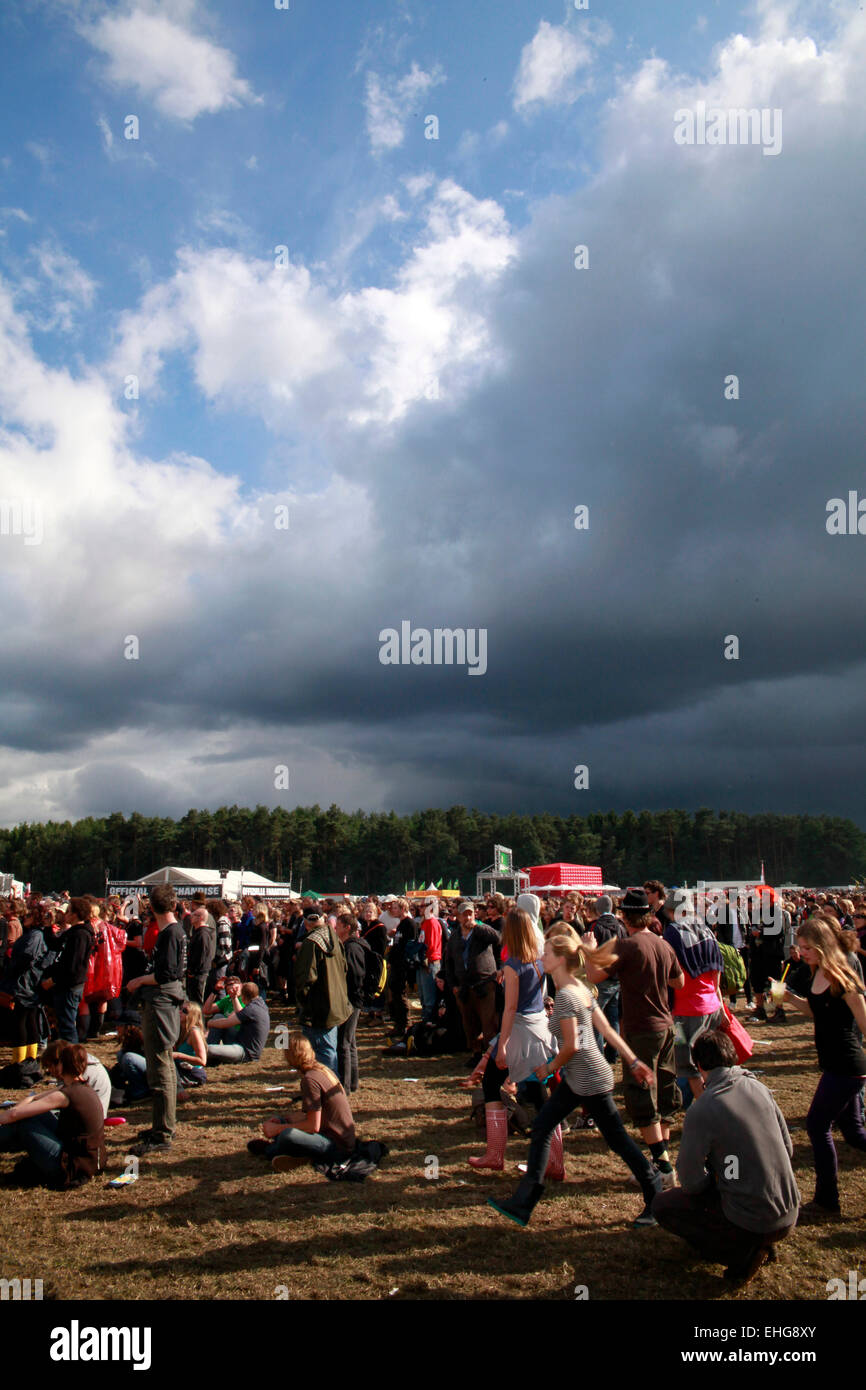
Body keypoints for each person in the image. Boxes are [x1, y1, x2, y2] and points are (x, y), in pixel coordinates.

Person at [487, 934, 662, 1229]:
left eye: (546, 953)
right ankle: (523, 1201)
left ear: (560, 960)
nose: (541, 957)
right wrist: (632, 1060)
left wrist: (548, 1068)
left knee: (615, 1139)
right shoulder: (578, 988)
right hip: (583, 1076)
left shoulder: (569, 995)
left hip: (588, 1077)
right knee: (545, 1126)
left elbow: (573, 1046)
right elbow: (605, 1029)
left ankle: (655, 1193)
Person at [652, 1030, 800, 1285]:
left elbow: (690, 1179)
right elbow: (788, 1149)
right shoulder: (759, 1087)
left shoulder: (704, 1107)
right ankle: (760, 1241)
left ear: (699, 1066)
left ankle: (743, 1253)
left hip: (751, 1217)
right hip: (788, 1212)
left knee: (664, 1205)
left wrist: (716, 1182)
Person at [584, 887, 684, 1184]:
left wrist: (589, 950)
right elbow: (677, 981)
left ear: (624, 916)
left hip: (642, 1028)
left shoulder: (628, 946)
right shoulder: (663, 943)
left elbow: (593, 976)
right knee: (665, 1092)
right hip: (667, 1026)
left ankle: (663, 1168)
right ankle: (662, 1160)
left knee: (642, 1096)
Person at [781, 918, 866, 1215]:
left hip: (846, 1065)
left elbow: (863, 1021)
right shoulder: (817, 972)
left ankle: (827, 1200)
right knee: (854, 1133)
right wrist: (789, 998)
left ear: (821, 945)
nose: (801, 953)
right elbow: (818, 1013)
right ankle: (827, 1199)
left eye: (806, 948)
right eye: (801, 947)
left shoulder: (843, 976)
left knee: (817, 1125)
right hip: (833, 1063)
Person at [467, 908, 558, 1174]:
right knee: (541, 1092)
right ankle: (555, 1160)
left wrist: (501, 1045)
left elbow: (509, 1009)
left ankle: (495, 1154)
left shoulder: (513, 965)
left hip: (520, 1028)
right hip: (539, 1026)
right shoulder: (540, 961)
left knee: (492, 1084)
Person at [247, 1031, 387, 1179]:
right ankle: (290, 1152)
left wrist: (278, 1129)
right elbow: (313, 1114)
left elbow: (312, 1125)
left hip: (335, 1145)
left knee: (286, 1136)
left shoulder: (309, 1080)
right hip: (340, 1137)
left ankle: (273, 1151)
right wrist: (284, 1120)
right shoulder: (322, 1070)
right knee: (282, 1124)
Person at [125, 885, 188, 1157]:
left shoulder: (171, 933)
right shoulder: (172, 931)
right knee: (162, 1064)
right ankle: (163, 1126)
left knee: (160, 1065)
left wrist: (139, 980)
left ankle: (163, 1132)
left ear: (152, 907)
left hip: (162, 1001)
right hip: (162, 999)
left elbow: (166, 974)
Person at [0, 1042, 106, 1189]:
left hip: (72, 1167)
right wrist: (22, 1106)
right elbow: (33, 1099)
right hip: (91, 1160)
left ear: (63, 1065)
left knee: (24, 1124)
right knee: (35, 1115)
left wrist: (7, 1117)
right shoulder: (81, 1088)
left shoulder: (65, 1095)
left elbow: (15, 1115)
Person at [661, 889, 724, 1101]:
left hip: (685, 1011)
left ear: (670, 910)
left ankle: (708, 1110)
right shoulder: (706, 930)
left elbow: (670, 971)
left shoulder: (672, 932)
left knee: (688, 1063)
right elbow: (717, 971)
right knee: (709, 1060)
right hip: (710, 1004)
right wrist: (719, 1000)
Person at [294, 910, 352, 1070]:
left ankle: (325, 1089)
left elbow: (305, 978)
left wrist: (302, 1002)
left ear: (306, 924)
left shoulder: (311, 942)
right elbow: (344, 968)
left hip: (319, 1006)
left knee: (321, 1051)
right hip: (336, 1003)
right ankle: (328, 1087)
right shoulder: (334, 937)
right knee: (329, 1049)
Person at [444, 900, 501, 1061]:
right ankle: (476, 1053)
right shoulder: (454, 936)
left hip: (484, 984)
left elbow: (497, 938)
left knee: (489, 1022)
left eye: (470, 913)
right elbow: (448, 962)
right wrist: (453, 985)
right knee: (470, 1024)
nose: (468, 917)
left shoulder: (482, 930)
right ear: (459, 916)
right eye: (465, 914)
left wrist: (477, 926)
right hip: (464, 986)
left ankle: (491, 1057)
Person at [0, 909, 47, 1087]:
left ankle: (21, 1063)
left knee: (22, 1022)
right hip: (28, 984)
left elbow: (27, 957)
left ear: (34, 918)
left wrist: (12, 969)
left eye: (27, 916)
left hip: (25, 985)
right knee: (28, 1022)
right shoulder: (35, 934)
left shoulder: (35, 935)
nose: (23, 918)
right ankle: (27, 1062)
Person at [42, 898, 95, 1043]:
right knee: (64, 1023)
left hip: (70, 986)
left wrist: (53, 980)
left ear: (75, 914)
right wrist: (48, 926)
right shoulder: (73, 932)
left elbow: (73, 966)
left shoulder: (81, 935)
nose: (65, 914)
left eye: (68, 911)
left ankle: (72, 1058)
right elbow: (55, 944)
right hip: (65, 984)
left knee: (67, 1026)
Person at [335, 913, 366, 1093]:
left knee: (344, 1043)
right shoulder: (353, 945)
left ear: (347, 927)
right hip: (353, 999)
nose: (335, 928)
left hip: (351, 1000)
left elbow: (354, 975)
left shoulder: (351, 948)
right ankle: (352, 1082)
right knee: (350, 1041)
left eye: (338, 925)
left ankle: (345, 1086)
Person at [206, 981, 270, 1064]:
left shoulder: (251, 1009)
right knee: (219, 1017)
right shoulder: (260, 1004)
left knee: (209, 1049)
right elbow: (239, 1013)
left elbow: (227, 1023)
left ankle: (206, 1055)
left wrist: (210, 1023)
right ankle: (208, 1057)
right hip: (241, 1043)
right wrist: (234, 997)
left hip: (245, 1052)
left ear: (243, 996)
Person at [415, 898, 444, 1025]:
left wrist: (425, 960)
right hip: (423, 962)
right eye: (420, 906)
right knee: (423, 996)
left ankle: (429, 1023)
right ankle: (425, 1022)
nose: (420, 909)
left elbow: (431, 945)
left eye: (423, 906)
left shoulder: (432, 923)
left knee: (429, 998)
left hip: (430, 962)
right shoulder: (424, 922)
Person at [174, 1001, 207, 1094]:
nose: (180, 1012)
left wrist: (178, 1055)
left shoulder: (194, 1032)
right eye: (180, 1009)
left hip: (193, 1074)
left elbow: (202, 1061)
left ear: (192, 1015)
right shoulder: (180, 1030)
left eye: (184, 1011)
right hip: (181, 1069)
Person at [186, 907, 216, 1005]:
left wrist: (194, 972)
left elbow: (203, 955)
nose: (191, 917)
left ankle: (200, 1020)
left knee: (198, 1002)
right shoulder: (197, 932)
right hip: (194, 974)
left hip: (199, 974)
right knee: (193, 1001)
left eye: (194, 915)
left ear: (201, 917)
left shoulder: (203, 934)